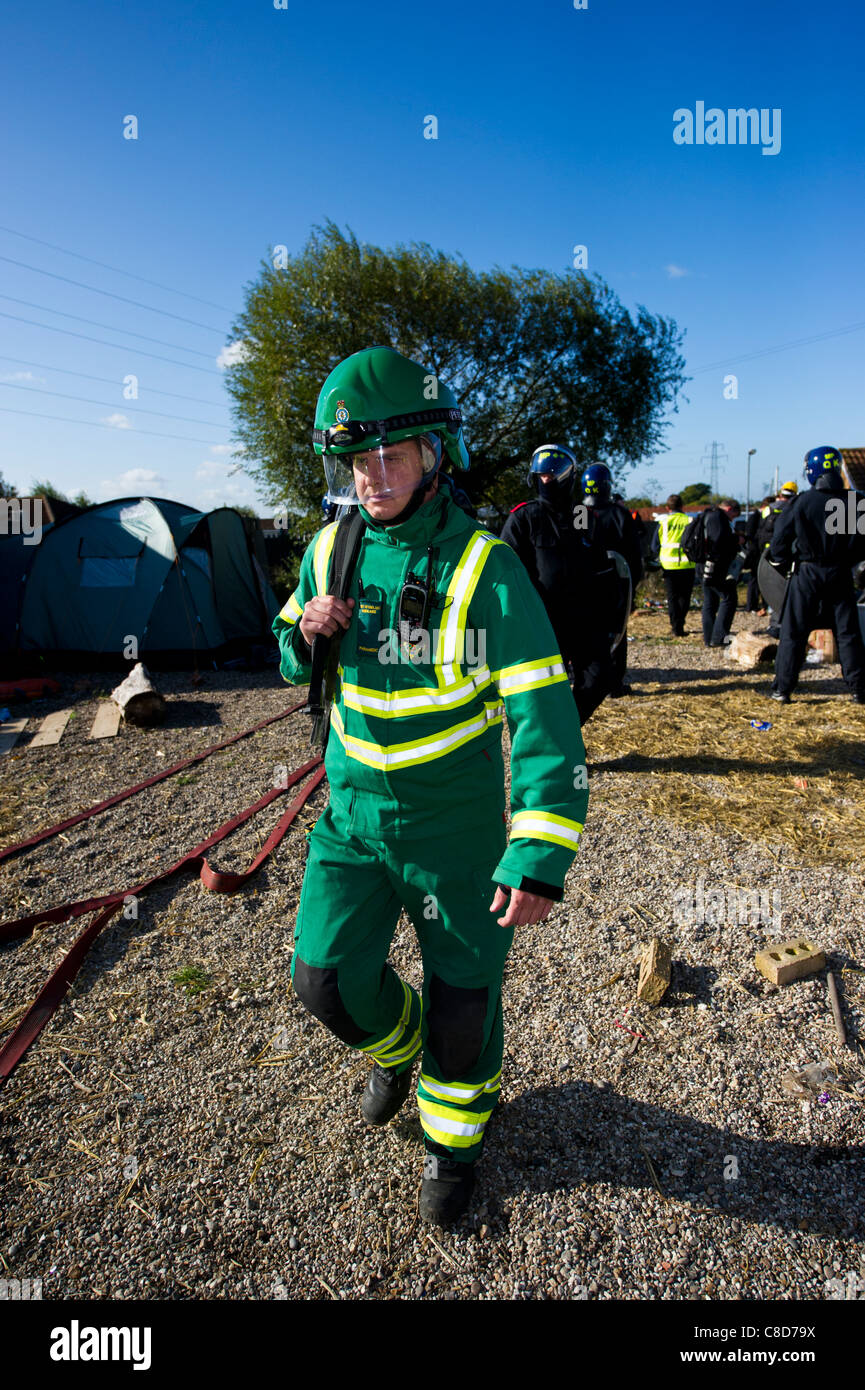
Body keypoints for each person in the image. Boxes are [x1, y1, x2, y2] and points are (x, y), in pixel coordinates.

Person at [272, 348, 588, 1224]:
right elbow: (285, 647)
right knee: (325, 981)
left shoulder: (488, 567)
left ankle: (454, 1147)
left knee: (461, 1004)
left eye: (392, 457)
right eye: (355, 461)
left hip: (454, 830)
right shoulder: (328, 548)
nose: (372, 478)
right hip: (350, 820)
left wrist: (537, 846)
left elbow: (545, 719)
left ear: (433, 456)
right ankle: (394, 1046)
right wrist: (305, 634)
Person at [500, 444, 618, 723]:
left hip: (584, 618)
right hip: (542, 621)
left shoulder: (581, 516)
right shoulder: (524, 516)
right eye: (541, 476)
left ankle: (568, 729)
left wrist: (609, 615)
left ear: (568, 476)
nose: (546, 481)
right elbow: (505, 571)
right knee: (545, 690)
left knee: (599, 677)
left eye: (552, 476)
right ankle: (559, 745)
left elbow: (601, 567)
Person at [769, 446, 865, 704]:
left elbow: (778, 544)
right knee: (848, 633)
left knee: (794, 632)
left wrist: (786, 562)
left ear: (812, 471)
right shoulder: (856, 502)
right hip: (841, 573)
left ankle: (783, 689)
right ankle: (858, 689)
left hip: (807, 573)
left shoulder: (800, 503)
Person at [582, 466, 643, 695]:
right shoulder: (620, 513)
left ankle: (589, 678)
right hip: (616, 583)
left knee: (588, 630)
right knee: (618, 631)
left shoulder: (579, 511)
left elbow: (577, 545)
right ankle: (614, 683)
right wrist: (633, 585)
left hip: (587, 582)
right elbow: (634, 554)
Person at [652, 494, 696, 635]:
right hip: (687, 564)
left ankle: (675, 626)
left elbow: (654, 546)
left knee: (672, 597)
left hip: (668, 565)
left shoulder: (663, 522)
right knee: (685, 597)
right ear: (682, 506)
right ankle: (680, 623)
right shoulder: (690, 520)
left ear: (667, 508)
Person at [701, 500, 740, 647]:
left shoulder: (706, 514)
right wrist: (736, 540)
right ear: (729, 509)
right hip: (715, 566)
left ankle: (709, 638)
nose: (732, 519)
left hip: (702, 564)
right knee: (729, 598)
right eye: (733, 516)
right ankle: (719, 637)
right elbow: (719, 541)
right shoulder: (718, 518)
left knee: (709, 600)